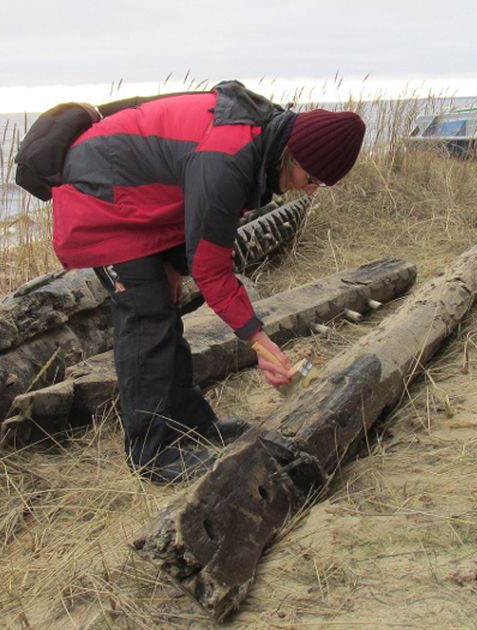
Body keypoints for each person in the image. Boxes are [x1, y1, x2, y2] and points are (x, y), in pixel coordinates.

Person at [50, 80, 365, 483]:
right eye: (312, 178)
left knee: (163, 305)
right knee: (146, 314)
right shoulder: (230, 154)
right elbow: (211, 265)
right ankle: (153, 452)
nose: (311, 190)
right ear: (293, 154)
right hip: (101, 196)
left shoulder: (259, 143)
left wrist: (173, 268)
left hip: (147, 198)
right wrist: (258, 340)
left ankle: (191, 426)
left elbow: (201, 219)